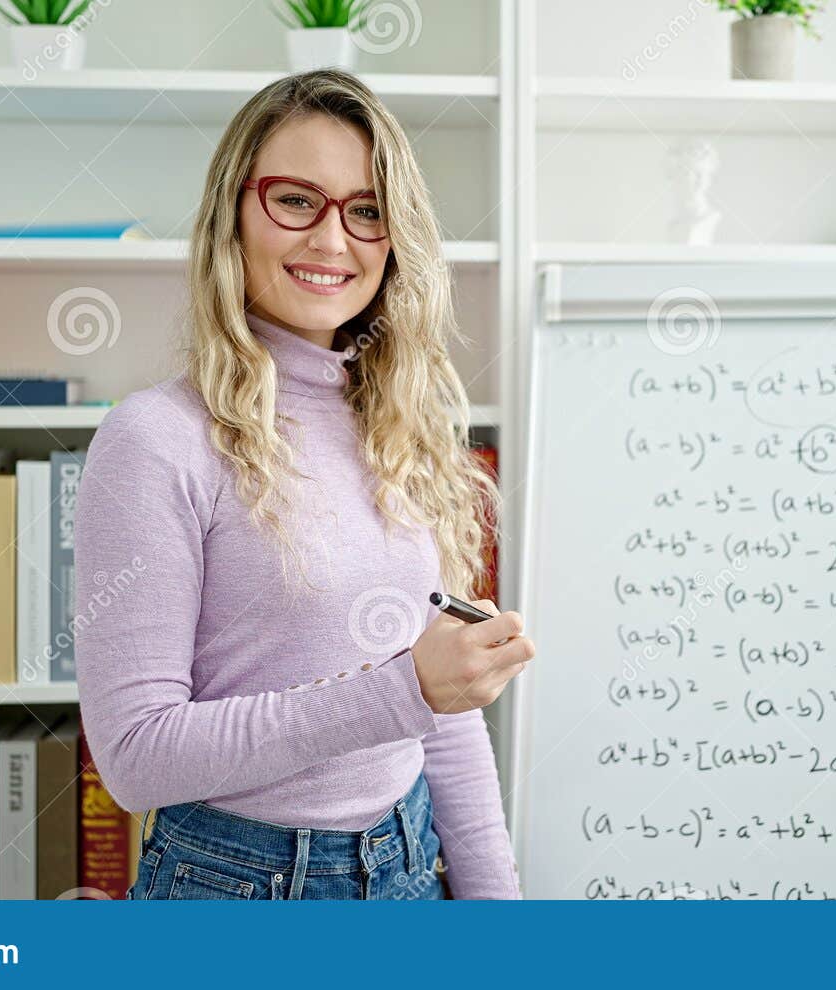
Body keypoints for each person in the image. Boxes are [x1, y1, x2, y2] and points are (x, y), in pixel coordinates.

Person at [73, 68, 532, 900]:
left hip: (408, 860)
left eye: (366, 211)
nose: (333, 241)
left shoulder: (398, 422)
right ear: (233, 215)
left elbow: (442, 719)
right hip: (235, 886)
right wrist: (404, 691)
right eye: (296, 200)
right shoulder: (156, 439)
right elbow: (136, 759)